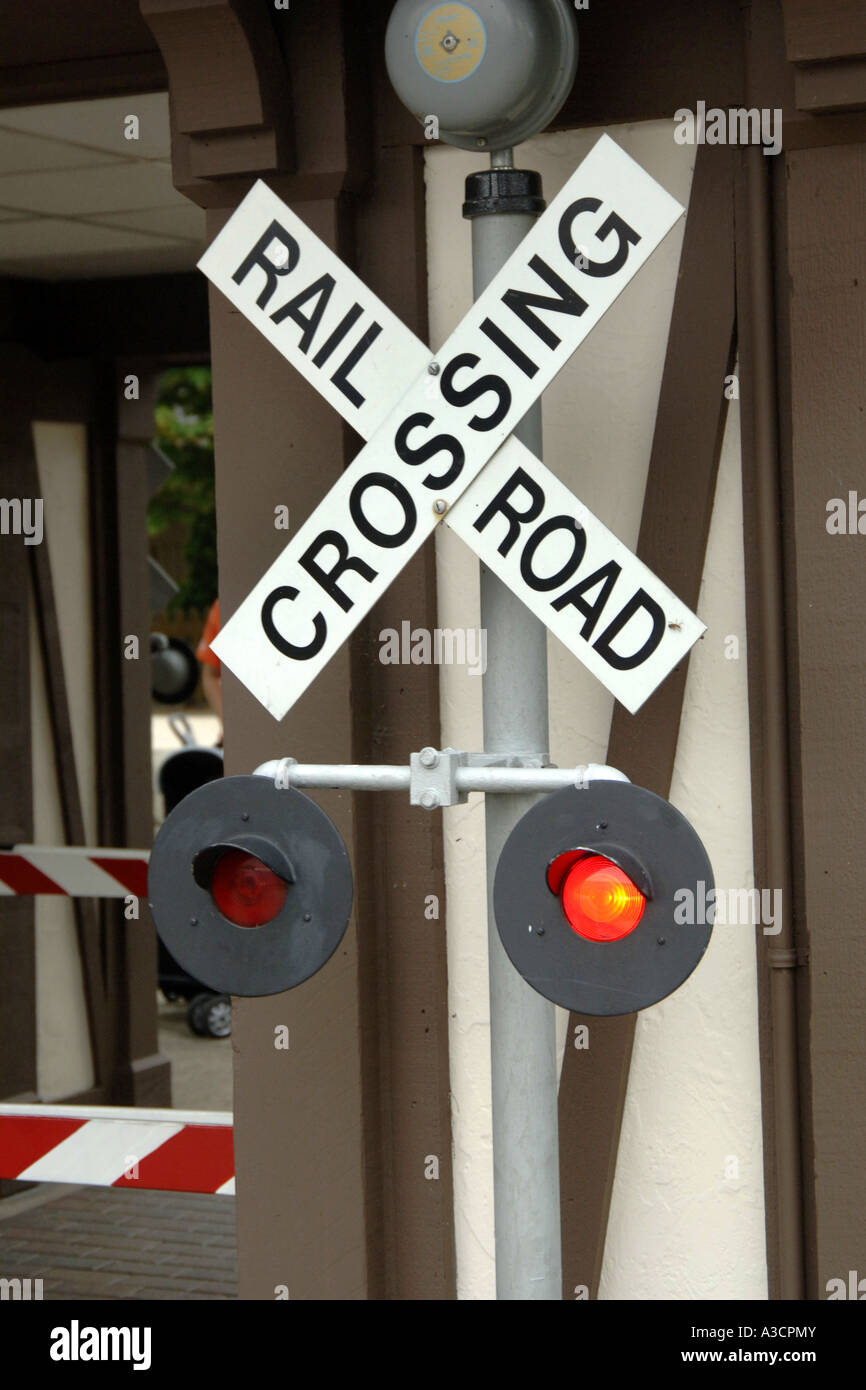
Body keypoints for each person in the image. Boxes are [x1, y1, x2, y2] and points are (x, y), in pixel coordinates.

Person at [196, 598, 222, 727]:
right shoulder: (222, 607)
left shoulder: (223, 605)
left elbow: (211, 675)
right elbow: (211, 674)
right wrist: (227, 723)